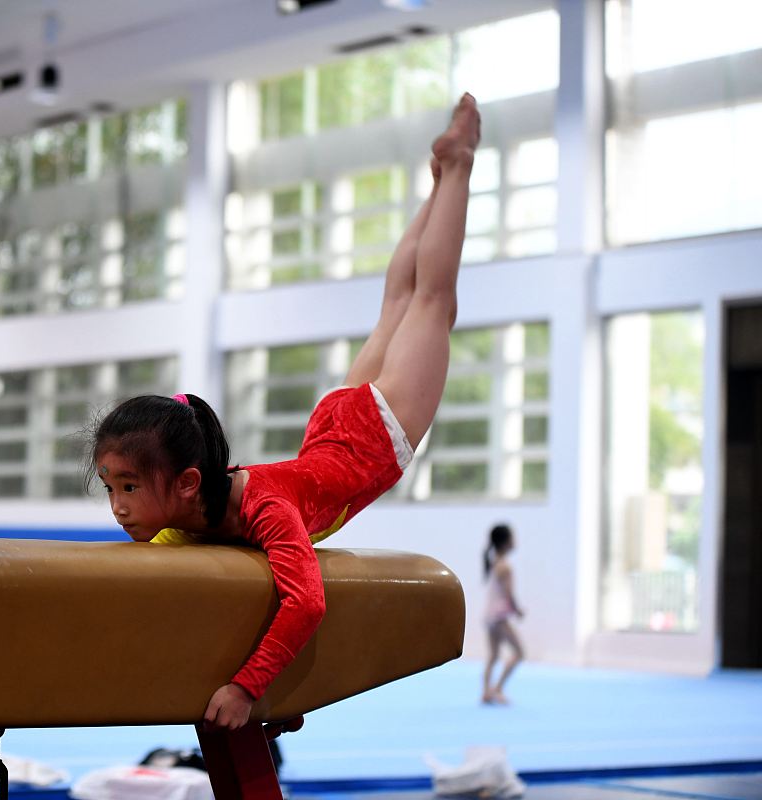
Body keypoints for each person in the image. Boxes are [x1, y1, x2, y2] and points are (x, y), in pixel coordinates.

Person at [89, 94, 481, 730]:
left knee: (429, 301)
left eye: (129, 487)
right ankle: (437, 185)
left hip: (372, 438)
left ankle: (457, 168)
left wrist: (247, 687)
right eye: (111, 488)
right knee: (398, 305)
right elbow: (140, 563)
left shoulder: (265, 509)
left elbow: (306, 603)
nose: (119, 506)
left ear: (187, 483)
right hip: (331, 432)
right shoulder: (188, 509)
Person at [481, 523, 524, 705]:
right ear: (506, 542)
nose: (515, 541)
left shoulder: (495, 563)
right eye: (513, 537)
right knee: (520, 652)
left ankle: (486, 692)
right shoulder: (505, 567)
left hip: (491, 616)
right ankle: (497, 689)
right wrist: (517, 609)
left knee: (494, 655)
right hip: (499, 617)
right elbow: (508, 593)